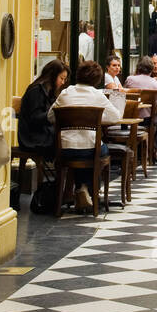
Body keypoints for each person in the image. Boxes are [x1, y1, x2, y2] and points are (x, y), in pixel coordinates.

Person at [49, 59, 124, 210]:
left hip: (64, 149)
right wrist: (97, 119)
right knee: (99, 150)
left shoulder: (65, 93)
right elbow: (115, 117)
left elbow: (50, 116)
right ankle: (89, 190)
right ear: (97, 80)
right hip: (90, 149)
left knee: (81, 150)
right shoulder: (97, 96)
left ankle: (81, 189)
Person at [17, 58, 68, 157]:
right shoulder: (36, 91)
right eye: (61, 78)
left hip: (39, 134)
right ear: (52, 76)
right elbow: (35, 118)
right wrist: (53, 115)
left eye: (64, 79)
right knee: (68, 145)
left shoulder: (49, 91)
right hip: (32, 138)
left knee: (68, 142)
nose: (63, 82)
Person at [125, 55, 157, 164]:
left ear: (138, 67)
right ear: (151, 69)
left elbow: (125, 97)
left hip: (130, 119)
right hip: (148, 119)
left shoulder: (130, 80)